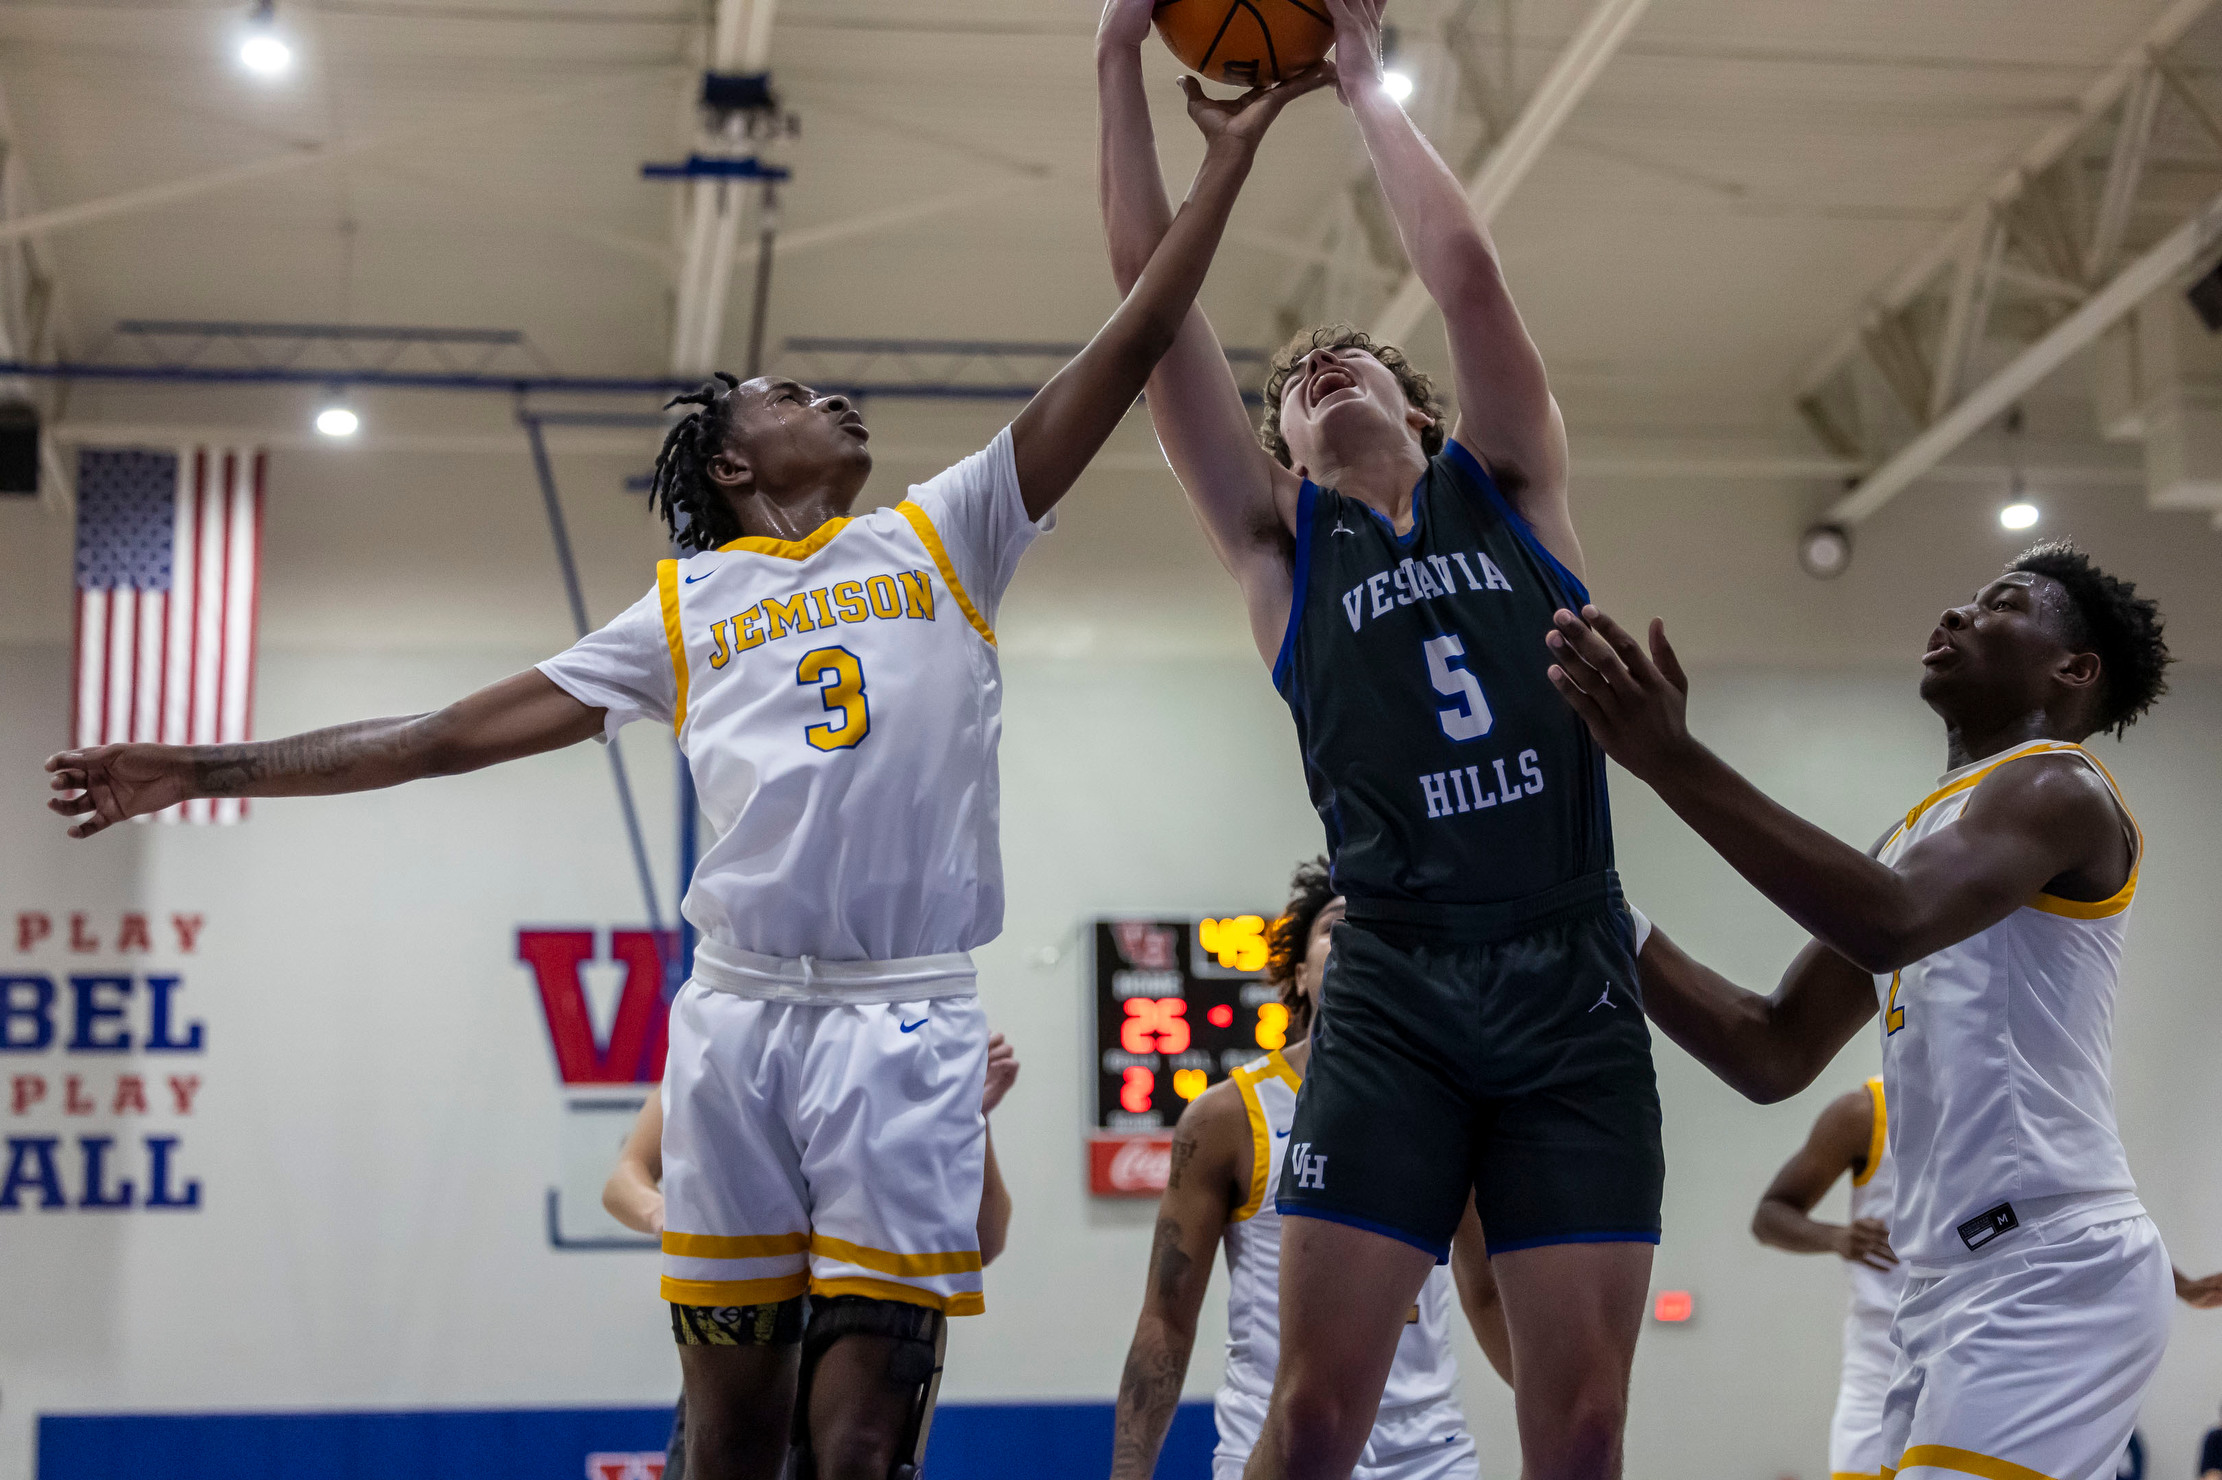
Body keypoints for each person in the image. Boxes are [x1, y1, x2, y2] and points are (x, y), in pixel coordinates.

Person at [44, 62, 1328, 1480]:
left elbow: (1138, 335)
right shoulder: (677, 612)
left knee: (861, 1447)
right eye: (791, 395)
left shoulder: (945, 532)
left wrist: (1221, 162)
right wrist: (201, 766)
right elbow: (436, 738)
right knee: (723, 1443)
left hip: (903, 1017)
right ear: (728, 466)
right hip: (738, 1021)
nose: (833, 396)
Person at [1097, 0, 1657, 1474]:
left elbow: (1462, 271)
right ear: (1278, 448)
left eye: (1352, 361)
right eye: (1292, 383)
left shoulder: (1509, 483)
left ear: (1418, 406)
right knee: (1310, 1413)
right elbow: (1151, 321)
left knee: (1582, 1418)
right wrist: (1115, 64)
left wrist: (1360, 85)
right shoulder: (1280, 552)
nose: (1319, 371)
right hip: (1396, 981)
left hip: (1565, 960)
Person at [1541, 542, 2181, 1480]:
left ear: (2074, 670)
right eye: (1966, 598)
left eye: (2002, 605)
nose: (1958, 613)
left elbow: (1891, 923)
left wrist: (1671, 760)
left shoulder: (2060, 786)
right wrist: (1592, 911)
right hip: (1941, 1290)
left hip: (2048, 1270)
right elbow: (1771, 1049)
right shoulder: (1916, 838)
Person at [1108, 861, 1512, 1480]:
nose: (1354, 940)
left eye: (1375, 931)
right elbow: (1167, 1317)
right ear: (1299, 971)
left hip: (1427, 1455)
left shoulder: (1451, 1109)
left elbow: (1486, 1291)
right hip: (1275, 1446)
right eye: (1334, 926)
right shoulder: (1227, 1115)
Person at [606, 1034, 1023, 1480]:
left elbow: (984, 1241)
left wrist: (969, 1118)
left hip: (851, 1356)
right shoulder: (738, 1048)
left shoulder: (894, 1072)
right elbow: (624, 1176)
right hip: (744, 1358)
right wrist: (670, 1215)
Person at [1749, 1080, 1902, 1480]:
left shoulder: (2010, 1095)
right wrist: (1837, 1237)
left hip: (1970, 1345)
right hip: (1880, 1358)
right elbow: (1768, 1216)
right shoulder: (1865, 1112)